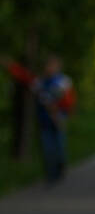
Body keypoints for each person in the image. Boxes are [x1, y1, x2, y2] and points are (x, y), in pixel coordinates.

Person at [2, 53, 77, 183]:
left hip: (58, 119)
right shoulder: (41, 82)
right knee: (47, 148)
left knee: (59, 147)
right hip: (44, 121)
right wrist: (10, 66)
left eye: (53, 66)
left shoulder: (63, 82)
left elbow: (69, 101)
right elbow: (25, 77)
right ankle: (50, 175)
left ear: (58, 67)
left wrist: (64, 115)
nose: (50, 68)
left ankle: (60, 167)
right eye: (48, 66)